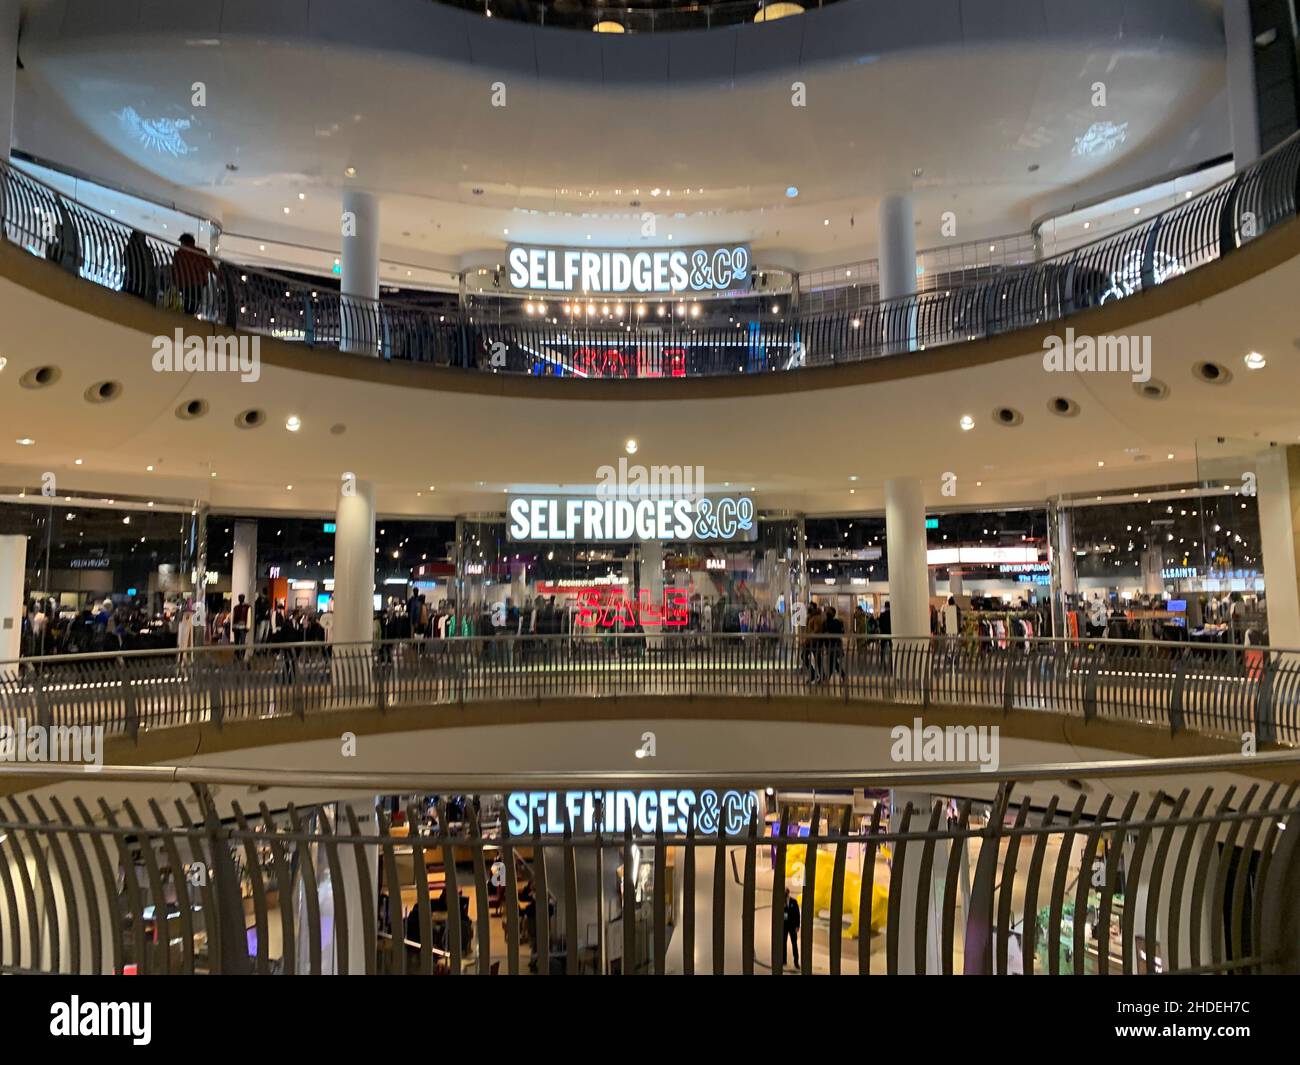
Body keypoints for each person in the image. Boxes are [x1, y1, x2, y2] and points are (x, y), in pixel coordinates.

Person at [172, 232, 216, 315]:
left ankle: (182, 325)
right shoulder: (201, 252)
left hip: (184, 283)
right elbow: (211, 266)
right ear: (193, 242)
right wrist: (220, 278)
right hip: (198, 283)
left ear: (183, 242)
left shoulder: (179, 254)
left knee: (187, 305)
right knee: (192, 306)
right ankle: (185, 324)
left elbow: (175, 270)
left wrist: (175, 283)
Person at [822, 605, 845, 681]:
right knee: (833, 661)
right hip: (829, 644)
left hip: (834, 644)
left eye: (829, 611)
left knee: (832, 661)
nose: (827, 612)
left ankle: (829, 676)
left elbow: (841, 632)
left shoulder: (837, 622)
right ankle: (840, 675)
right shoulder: (825, 622)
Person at [782, 887, 801, 970]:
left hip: (792, 926)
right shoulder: (781, 902)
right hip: (784, 926)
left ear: (788, 893)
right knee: (783, 943)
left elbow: (797, 914)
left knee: (794, 944)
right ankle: (783, 960)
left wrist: (797, 926)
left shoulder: (794, 901)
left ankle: (796, 962)